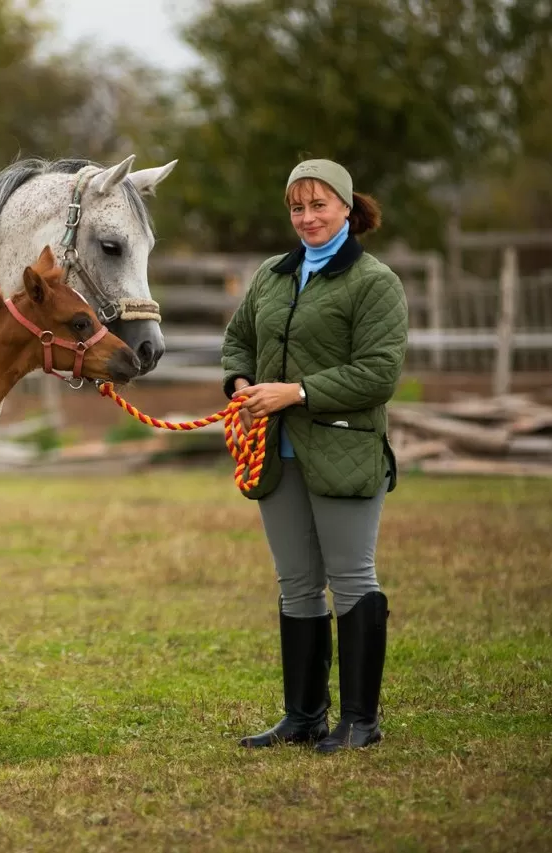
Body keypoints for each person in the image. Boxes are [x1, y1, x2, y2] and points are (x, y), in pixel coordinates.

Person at [220, 158, 408, 753]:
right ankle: (302, 717)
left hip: (345, 452)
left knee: (352, 579)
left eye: (319, 205)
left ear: (347, 209)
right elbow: (237, 340)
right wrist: (241, 384)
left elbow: (379, 373)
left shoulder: (375, 282)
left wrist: (297, 392)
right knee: (297, 583)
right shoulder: (273, 275)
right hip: (277, 454)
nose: (307, 218)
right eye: (297, 207)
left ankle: (361, 721)